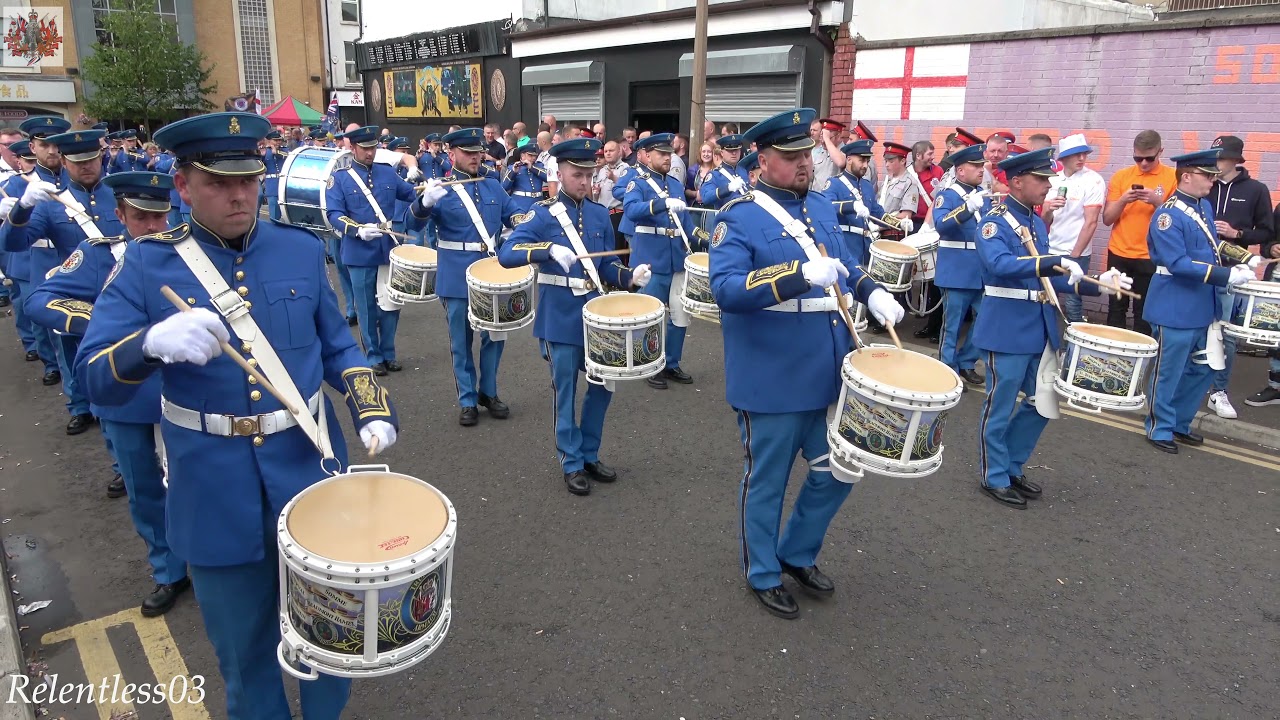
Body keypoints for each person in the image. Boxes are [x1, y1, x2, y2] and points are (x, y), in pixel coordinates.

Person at [77, 111, 398, 718]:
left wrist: (370, 408)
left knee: (333, 638)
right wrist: (147, 345)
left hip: (307, 471)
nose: (238, 195)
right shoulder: (148, 264)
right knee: (246, 657)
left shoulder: (299, 249)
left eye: (248, 180)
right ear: (182, 186)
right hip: (211, 484)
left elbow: (338, 347)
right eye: (218, 182)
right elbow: (94, 374)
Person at [709, 107, 904, 619]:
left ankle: (796, 552)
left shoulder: (819, 206)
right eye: (791, 156)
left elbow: (844, 265)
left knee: (839, 469)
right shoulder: (739, 216)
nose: (804, 164)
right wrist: (797, 275)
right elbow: (726, 289)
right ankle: (763, 572)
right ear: (764, 160)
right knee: (767, 482)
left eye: (808, 155)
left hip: (828, 368)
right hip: (772, 374)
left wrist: (872, 290)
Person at [25, 171, 187, 614]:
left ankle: (210, 556)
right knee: (145, 487)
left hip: (186, 392)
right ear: (120, 216)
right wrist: (93, 320)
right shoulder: (100, 256)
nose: (153, 226)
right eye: (140, 217)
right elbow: (40, 299)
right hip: (127, 393)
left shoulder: (191, 253)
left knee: (199, 481)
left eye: (160, 215)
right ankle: (168, 570)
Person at [972, 147, 1124, 508]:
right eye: (1040, 179)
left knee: (1042, 403)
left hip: (1039, 327)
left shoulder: (1037, 222)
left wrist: (1099, 282)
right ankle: (994, 475)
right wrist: (1055, 260)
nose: (1047, 185)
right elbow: (1001, 265)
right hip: (1006, 328)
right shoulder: (993, 222)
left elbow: (1051, 278)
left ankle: (1011, 464)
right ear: (1018, 181)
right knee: (1000, 406)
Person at [499, 138, 651, 495]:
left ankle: (589, 453)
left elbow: (605, 265)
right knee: (565, 391)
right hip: (560, 319)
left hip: (595, 317)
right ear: (560, 173)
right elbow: (507, 252)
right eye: (577, 174)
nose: (584, 182)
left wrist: (628, 278)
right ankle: (570, 461)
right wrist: (546, 249)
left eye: (588, 174)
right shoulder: (542, 213)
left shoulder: (599, 213)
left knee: (603, 385)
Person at [2, 128, 122, 436]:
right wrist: (22, 207)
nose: (86, 166)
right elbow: (14, 243)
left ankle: (116, 432)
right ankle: (81, 407)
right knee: (73, 355)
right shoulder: (52, 203)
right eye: (77, 161)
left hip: (122, 290)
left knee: (122, 367)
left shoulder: (121, 192)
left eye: (91, 159)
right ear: (65, 163)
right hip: (79, 293)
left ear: (100, 156)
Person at [407, 127, 525, 426]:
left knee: (495, 335)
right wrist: (425, 202)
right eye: (468, 153)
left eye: (478, 152)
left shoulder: (492, 185)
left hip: (490, 271)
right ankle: (467, 399)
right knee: (461, 340)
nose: (475, 157)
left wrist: (527, 224)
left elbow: (513, 215)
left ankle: (488, 391)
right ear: (452, 154)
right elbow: (413, 224)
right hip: (455, 273)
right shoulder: (441, 188)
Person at [1143, 149, 1255, 453]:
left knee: (1204, 367)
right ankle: (1160, 426)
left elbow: (1212, 243)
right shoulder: (1167, 215)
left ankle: (1180, 421)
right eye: (1207, 175)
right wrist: (1224, 276)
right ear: (1187, 176)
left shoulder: (1202, 205)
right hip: (1175, 303)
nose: (1212, 180)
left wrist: (1245, 258)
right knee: (1169, 370)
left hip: (1203, 304)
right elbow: (1178, 263)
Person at [325, 126, 419, 374]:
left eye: (373, 147)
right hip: (359, 248)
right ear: (353, 148)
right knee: (365, 305)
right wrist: (357, 230)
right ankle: (373, 355)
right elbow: (334, 214)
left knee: (391, 302)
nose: (370, 153)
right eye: (365, 148)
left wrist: (427, 191)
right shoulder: (341, 178)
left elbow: (410, 194)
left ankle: (389, 351)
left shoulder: (387, 173)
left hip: (388, 245)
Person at [620, 133, 698, 390]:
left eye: (670, 154)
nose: (667, 158)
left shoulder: (676, 184)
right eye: (662, 154)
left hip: (677, 256)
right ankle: (650, 362)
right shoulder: (638, 183)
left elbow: (685, 221)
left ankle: (671, 363)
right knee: (651, 314)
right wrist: (660, 204)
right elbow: (631, 210)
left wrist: (698, 240)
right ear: (648, 155)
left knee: (679, 314)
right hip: (652, 257)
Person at [1204, 135, 1274, 419]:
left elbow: (1267, 232)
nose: (1216, 162)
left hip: (1233, 272)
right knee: (1193, 331)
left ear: (1235, 159)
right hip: (1200, 268)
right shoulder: (1203, 184)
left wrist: (1238, 234)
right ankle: (1192, 385)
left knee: (1226, 336)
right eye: (1215, 157)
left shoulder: (1256, 189)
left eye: (1221, 157)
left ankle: (1219, 391)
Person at [1103, 130, 1176, 335]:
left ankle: (1140, 359)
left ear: (1160, 152)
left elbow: (1176, 222)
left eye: (1149, 158)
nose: (1143, 163)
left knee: (1143, 311)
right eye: (1138, 158)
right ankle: (1112, 355)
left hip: (1150, 256)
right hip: (1119, 253)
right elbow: (1107, 219)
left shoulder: (1172, 177)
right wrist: (1124, 200)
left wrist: (1157, 202)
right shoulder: (1122, 176)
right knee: (1116, 308)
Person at [932, 140, 989, 387]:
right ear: (960, 170)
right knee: (952, 326)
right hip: (955, 270)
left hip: (979, 270)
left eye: (982, 166)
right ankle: (947, 368)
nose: (981, 170)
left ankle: (966, 362)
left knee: (985, 319)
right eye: (975, 166)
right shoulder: (948, 195)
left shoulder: (982, 196)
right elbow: (942, 225)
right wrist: (967, 209)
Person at [2, 139, 58, 374]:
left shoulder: (64, 179)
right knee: (35, 316)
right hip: (29, 256)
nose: (31, 165)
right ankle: (50, 364)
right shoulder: (12, 185)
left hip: (60, 252)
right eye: (28, 160)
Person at [1043, 133, 1106, 324]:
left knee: (1072, 300)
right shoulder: (1053, 180)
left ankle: (1074, 345)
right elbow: (1045, 220)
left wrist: (1075, 255)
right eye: (1075, 154)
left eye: (1084, 154)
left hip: (1076, 251)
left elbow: (1091, 222)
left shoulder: (1093, 180)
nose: (1081, 158)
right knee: (1047, 297)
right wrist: (1048, 209)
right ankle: (1049, 341)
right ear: (1064, 158)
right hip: (1051, 248)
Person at [821, 137, 883, 266]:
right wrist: (851, 206)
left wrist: (899, 223)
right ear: (848, 159)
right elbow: (825, 207)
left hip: (866, 248)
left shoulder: (866, 185)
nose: (865, 165)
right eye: (861, 160)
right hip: (845, 245)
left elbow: (877, 212)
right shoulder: (834, 183)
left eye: (867, 161)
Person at [697, 134, 748, 209]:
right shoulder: (714, 175)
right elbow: (706, 197)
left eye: (736, 150)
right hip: (727, 217)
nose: (734, 153)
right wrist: (728, 188)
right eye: (730, 150)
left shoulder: (744, 171)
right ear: (722, 153)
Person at [502, 144, 547, 214]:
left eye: (535, 156)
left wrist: (532, 168)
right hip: (521, 204)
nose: (533, 158)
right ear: (522, 156)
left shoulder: (539, 166)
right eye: (530, 155)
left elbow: (548, 178)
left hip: (538, 203)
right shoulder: (513, 167)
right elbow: (504, 187)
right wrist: (513, 172)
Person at [260, 130, 286, 221]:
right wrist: (261, 155)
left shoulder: (284, 150)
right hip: (272, 183)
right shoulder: (265, 151)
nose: (278, 142)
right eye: (275, 140)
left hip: (283, 183)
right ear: (269, 141)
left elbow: (288, 156)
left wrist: (276, 152)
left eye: (279, 140)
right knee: (274, 210)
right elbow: (259, 165)